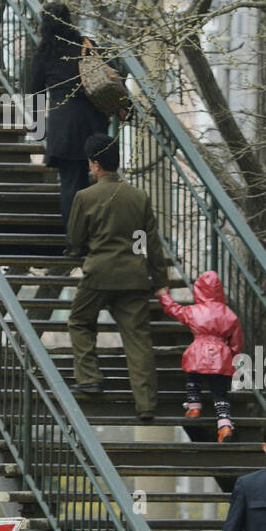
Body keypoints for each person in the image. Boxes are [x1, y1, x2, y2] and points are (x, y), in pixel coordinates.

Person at [67, 133, 169, 423]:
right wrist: (160, 280)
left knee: (80, 321)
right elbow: (151, 243)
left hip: (98, 274)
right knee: (138, 339)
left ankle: (89, 378)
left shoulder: (85, 197)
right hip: (135, 277)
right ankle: (146, 404)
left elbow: (76, 237)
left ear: (96, 165)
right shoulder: (139, 196)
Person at [29, 2, 112, 252]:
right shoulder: (86, 45)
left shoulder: (44, 54)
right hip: (93, 120)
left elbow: (35, 93)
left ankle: (75, 242)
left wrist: (38, 129)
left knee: (71, 185)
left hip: (64, 124)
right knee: (95, 183)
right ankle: (97, 238)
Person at [158, 271, 243, 442]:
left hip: (198, 350)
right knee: (220, 393)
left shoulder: (194, 311)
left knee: (193, 376)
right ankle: (225, 424)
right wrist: (232, 359)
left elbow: (175, 310)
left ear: (199, 290)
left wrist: (164, 296)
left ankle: (194, 406)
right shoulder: (229, 314)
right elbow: (236, 342)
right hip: (221, 354)